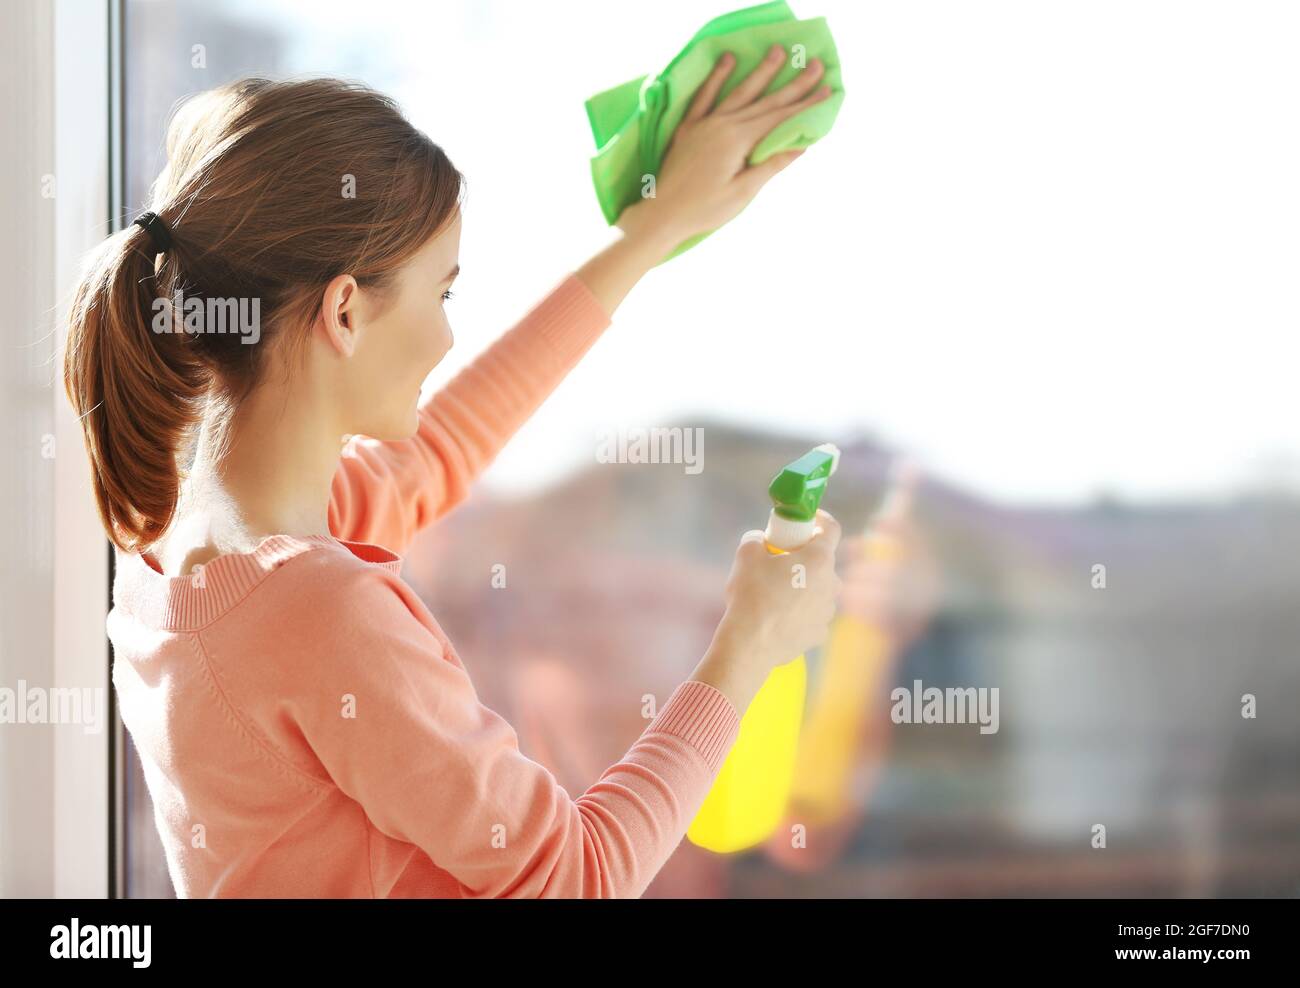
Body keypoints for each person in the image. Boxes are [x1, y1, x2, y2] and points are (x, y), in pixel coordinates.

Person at [64, 52, 841, 897]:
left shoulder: (171, 543)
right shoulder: (321, 613)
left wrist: (647, 236)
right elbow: (574, 875)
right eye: (443, 295)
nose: (445, 340)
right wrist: (752, 643)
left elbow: (438, 454)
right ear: (346, 312)